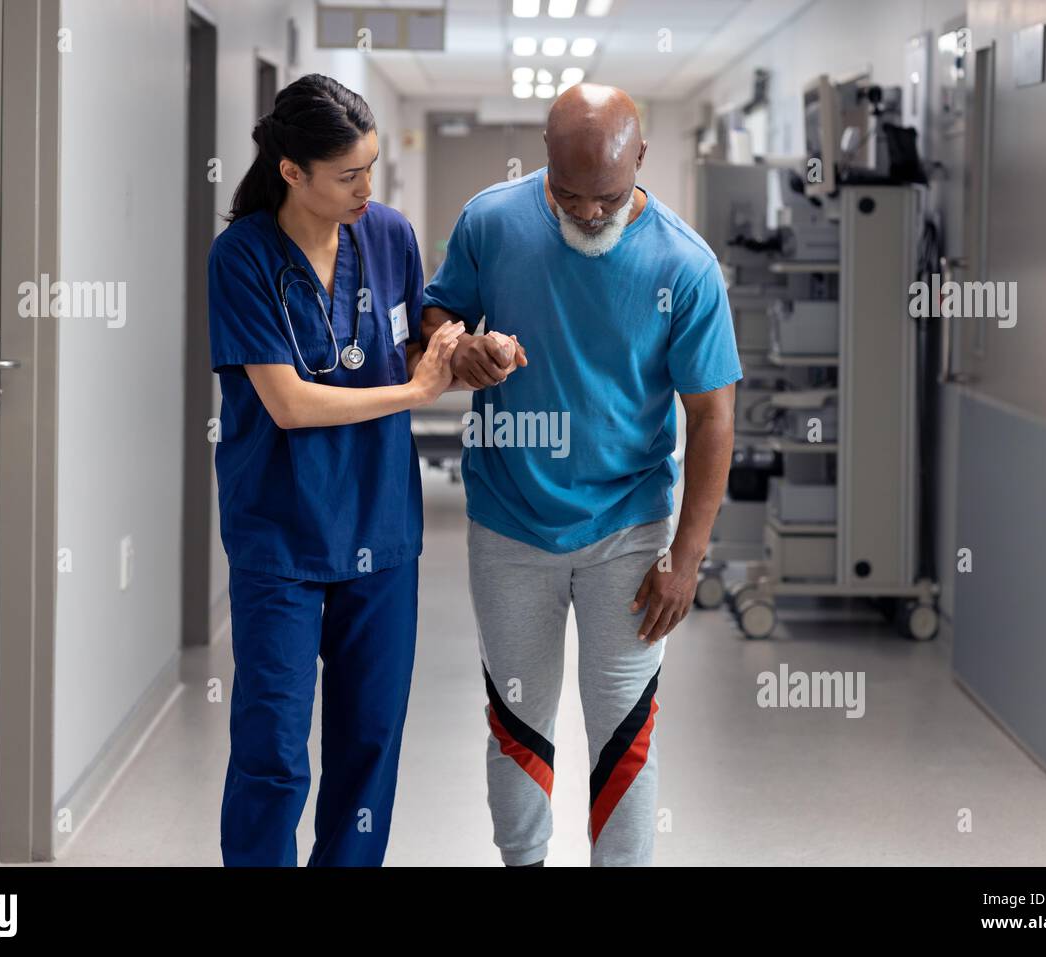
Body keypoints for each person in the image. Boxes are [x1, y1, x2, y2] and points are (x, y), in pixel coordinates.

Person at [422, 83, 742, 867]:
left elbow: (712, 419)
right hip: (508, 519)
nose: (588, 214)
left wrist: (687, 556)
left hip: (630, 533)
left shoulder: (685, 265)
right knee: (516, 720)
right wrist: (460, 346)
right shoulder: (491, 222)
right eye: (568, 194)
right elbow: (435, 318)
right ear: (544, 158)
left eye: (605, 195)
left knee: (624, 731)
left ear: (641, 158)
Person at [207, 74, 462, 866]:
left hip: (380, 530)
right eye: (348, 174)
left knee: (368, 744)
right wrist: (417, 392)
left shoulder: (387, 235)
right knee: (274, 751)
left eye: (373, 168)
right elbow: (287, 403)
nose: (366, 189)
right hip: (280, 534)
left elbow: (409, 342)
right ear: (292, 171)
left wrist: (454, 353)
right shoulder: (242, 257)